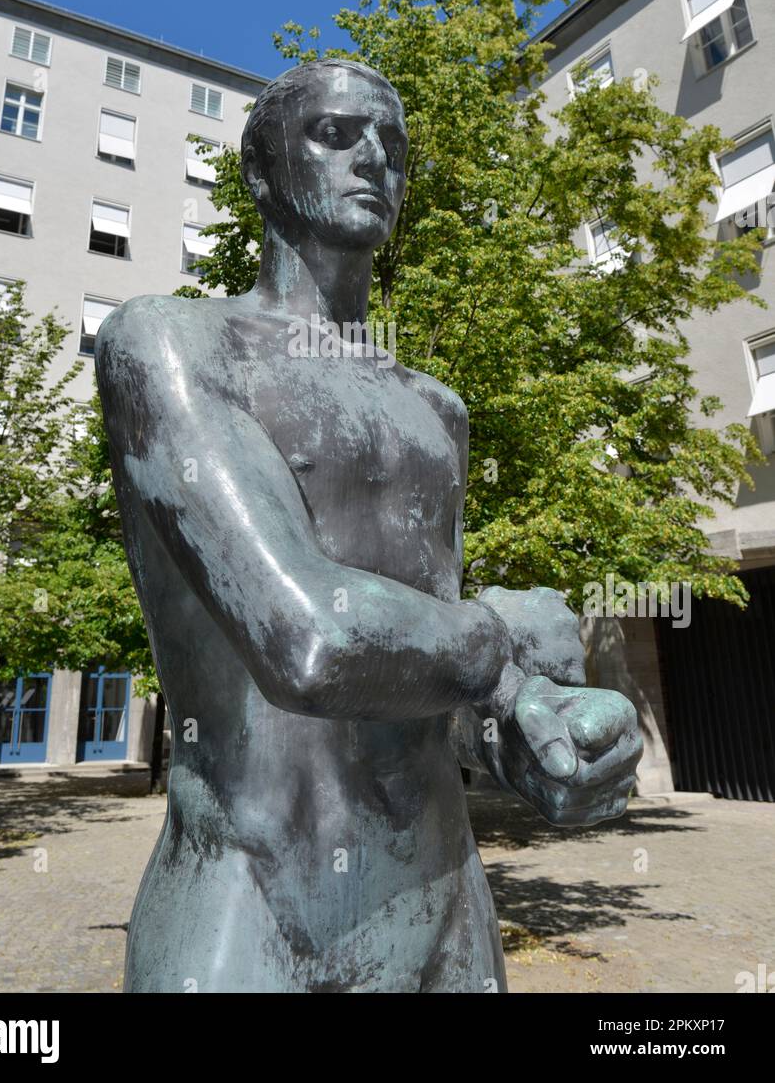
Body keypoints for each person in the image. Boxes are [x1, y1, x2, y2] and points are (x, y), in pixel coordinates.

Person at [96, 59, 642, 993]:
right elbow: (307, 638)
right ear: (263, 173)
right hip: (246, 903)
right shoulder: (169, 344)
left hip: (442, 908)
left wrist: (532, 730)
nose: (374, 159)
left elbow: (429, 680)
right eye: (336, 134)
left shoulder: (435, 410)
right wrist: (507, 641)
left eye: (391, 144)